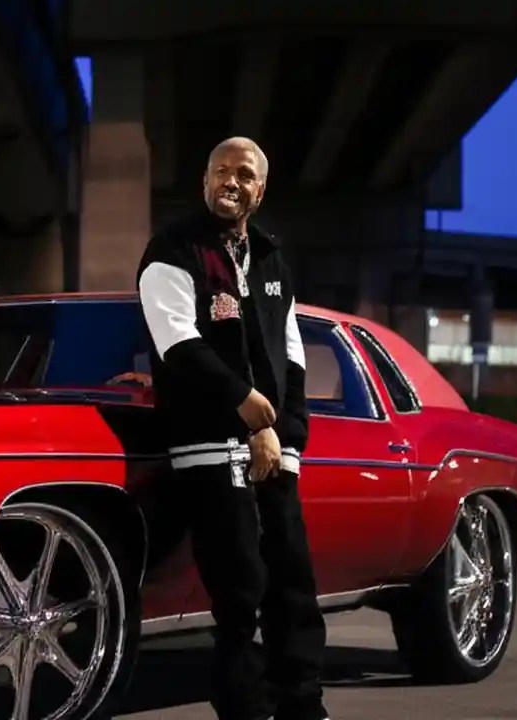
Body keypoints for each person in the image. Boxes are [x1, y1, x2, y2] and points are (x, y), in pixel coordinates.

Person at [135, 137, 329, 720]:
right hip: (206, 446)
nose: (231, 180)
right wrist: (247, 409)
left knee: (294, 584)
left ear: (259, 190)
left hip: (275, 450)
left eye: (244, 173)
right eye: (221, 169)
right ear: (204, 180)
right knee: (240, 589)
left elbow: (291, 354)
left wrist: (286, 433)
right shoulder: (172, 251)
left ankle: (303, 705)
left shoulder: (270, 258)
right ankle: (244, 709)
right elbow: (179, 347)